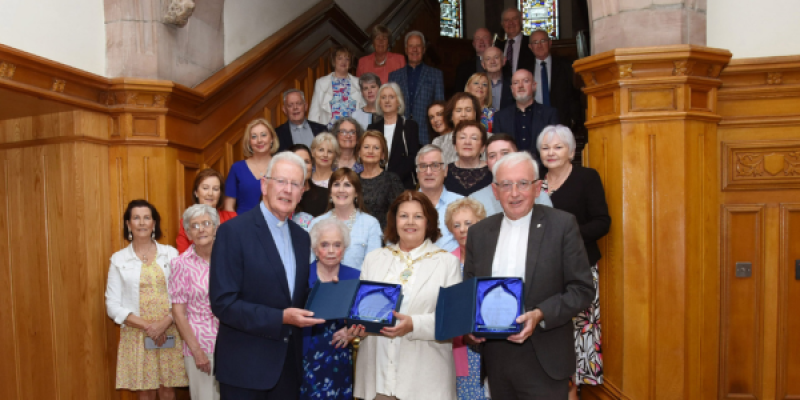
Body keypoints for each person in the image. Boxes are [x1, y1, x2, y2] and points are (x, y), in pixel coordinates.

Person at [463, 151, 595, 400]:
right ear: (494, 190)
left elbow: (582, 289)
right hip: (496, 359)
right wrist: (469, 327)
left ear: (537, 188)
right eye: (506, 185)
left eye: (522, 183)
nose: (514, 193)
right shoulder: (479, 233)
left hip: (545, 357)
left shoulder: (563, 225)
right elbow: (469, 291)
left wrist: (540, 314)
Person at [210, 152, 325, 399]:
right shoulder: (233, 232)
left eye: (295, 184)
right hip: (245, 370)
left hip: (288, 370)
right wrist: (280, 318)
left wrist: (334, 303)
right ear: (264, 184)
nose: (287, 190)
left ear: (302, 192)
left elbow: (297, 297)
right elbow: (223, 303)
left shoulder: (302, 238)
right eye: (281, 181)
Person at [350, 190, 462, 400]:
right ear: (394, 220)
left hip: (426, 384)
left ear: (429, 222)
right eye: (403, 216)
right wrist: (358, 327)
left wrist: (414, 324)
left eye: (418, 216)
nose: (410, 222)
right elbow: (363, 311)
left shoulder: (447, 263)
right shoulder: (373, 259)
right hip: (377, 383)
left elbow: (453, 321)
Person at [537, 125, 610, 399]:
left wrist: (568, 236)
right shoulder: (536, 184)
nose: (551, 152)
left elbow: (603, 222)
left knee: (581, 330)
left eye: (558, 147)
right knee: (553, 328)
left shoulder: (586, 177)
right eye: (545, 148)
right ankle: (556, 385)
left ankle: (575, 390)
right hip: (545, 271)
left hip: (579, 268)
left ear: (571, 150)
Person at [106, 199, 187, 399]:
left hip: (170, 329)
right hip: (137, 333)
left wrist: (165, 322)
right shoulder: (118, 259)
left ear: (154, 223)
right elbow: (112, 306)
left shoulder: (171, 254)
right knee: (146, 391)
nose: (142, 223)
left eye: (147, 218)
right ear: (128, 224)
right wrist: (149, 327)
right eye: (136, 218)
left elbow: (183, 295)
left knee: (168, 389)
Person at [300, 218, 361, 399]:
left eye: (337, 245)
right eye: (325, 245)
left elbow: (364, 317)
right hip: (306, 356)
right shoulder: (302, 275)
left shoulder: (355, 277)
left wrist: (353, 331)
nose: (331, 251)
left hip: (342, 358)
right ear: (315, 248)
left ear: (345, 248)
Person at [169, 204, 221, 400]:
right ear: (188, 233)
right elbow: (178, 313)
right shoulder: (180, 264)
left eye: (206, 223)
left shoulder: (229, 258)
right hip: (201, 345)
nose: (201, 229)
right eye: (195, 226)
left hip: (232, 344)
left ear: (216, 227)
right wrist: (197, 352)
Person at [444, 197, 489, 400]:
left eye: (468, 223)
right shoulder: (445, 262)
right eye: (457, 225)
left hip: (490, 343)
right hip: (458, 347)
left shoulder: (493, 257)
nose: (463, 229)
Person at [308, 168, 382, 270]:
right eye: (336, 184)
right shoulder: (316, 223)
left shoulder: (371, 224)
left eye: (347, 185)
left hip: (358, 284)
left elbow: (374, 267)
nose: (341, 190)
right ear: (330, 192)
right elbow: (309, 264)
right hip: (322, 285)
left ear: (356, 193)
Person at [469, 133, 552, 216]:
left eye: (505, 153)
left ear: (518, 155)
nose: (499, 159)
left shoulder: (539, 196)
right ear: (487, 163)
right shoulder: (475, 200)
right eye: (492, 156)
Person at [492, 69, 559, 167]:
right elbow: (497, 149)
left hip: (542, 172)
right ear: (511, 88)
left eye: (525, 81)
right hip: (510, 171)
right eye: (516, 83)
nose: (520, 86)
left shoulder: (549, 114)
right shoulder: (500, 117)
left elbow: (554, 146)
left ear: (534, 86)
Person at [388, 31, 445, 145]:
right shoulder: (394, 76)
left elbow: (440, 106)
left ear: (423, 50)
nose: (414, 49)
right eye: (411, 46)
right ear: (405, 49)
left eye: (418, 46)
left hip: (425, 136)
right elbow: (389, 107)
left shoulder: (435, 74)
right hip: (399, 135)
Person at [528, 29, 584, 132]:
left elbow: (574, 94)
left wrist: (573, 119)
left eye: (543, 41)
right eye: (535, 42)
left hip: (561, 123)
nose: (539, 45)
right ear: (530, 47)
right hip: (533, 124)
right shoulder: (526, 69)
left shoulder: (566, 66)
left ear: (550, 43)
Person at [367, 82, 421, 189]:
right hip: (377, 185)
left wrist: (391, 178)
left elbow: (413, 157)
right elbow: (368, 155)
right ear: (379, 103)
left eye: (391, 97)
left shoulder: (410, 126)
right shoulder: (372, 128)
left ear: (398, 102)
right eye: (383, 97)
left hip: (402, 185)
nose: (387, 101)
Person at [225, 118, 280, 214]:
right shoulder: (237, 168)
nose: (259, 140)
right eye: (254, 137)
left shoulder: (282, 167)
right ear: (249, 142)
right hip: (242, 225)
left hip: (274, 224)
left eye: (263, 135)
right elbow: (228, 208)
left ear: (272, 139)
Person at [176, 169, 237, 253]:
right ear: (196, 192)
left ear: (220, 194)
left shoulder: (232, 218)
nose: (210, 193)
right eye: (205, 188)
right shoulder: (186, 221)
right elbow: (183, 255)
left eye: (215, 189)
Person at [416, 144, 462, 252]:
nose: (428, 172)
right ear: (417, 172)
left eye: (435, 166)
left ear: (445, 170)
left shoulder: (462, 204)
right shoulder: (404, 205)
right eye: (423, 166)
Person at [309, 45, 366, 129]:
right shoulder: (321, 83)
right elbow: (314, 113)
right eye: (340, 58)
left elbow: (364, 112)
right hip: (329, 134)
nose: (344, 62)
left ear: (350, 63)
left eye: (347, 59)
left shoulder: (359, 83)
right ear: (334, 61)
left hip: (353, 133)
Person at [357, 130, 405, 229]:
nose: (370, 151)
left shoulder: (391, 180)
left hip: (384, 238)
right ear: (359, 153)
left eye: (376, 148)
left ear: (383, 154)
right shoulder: (352, 180)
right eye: (366, 147)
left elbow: (401, 213)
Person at [445, 121, 492, 196]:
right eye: (462, 137)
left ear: (483, 147)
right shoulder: (444, 172)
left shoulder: (492, 171)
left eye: (474, 138)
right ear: (455, 146)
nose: (467, 142)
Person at [432, 92, 482, 165]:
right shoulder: (439, 142)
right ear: (451, 116)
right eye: (458, 110)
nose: (463, 115)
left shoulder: (490, 139)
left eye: (468, 110)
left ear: (475, 114)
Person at [291, 144, 328, 228]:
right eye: (298, 162)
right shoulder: (284, 195)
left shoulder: (326, 195)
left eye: (307, 162)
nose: (303, 166)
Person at [453, 28, 492, 94]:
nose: (481, 41)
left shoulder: (501, 65)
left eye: (485, 37)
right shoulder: (463, 68)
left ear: (492, 41)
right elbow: (458, 95)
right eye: (477, 38)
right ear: (473, 44)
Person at [498, 8, 536, 76]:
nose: (511, 23)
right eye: (507, 20)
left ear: (521, 21)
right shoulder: (498, 47)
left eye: (514, 18)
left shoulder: (531, 43)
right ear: (502, 24)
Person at [482, 46, 514, 111]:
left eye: (496, 57)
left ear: (504, 61)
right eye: (488, 59)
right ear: (483, 64)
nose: (492, 61)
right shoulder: (477, 85)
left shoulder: (513, 84)